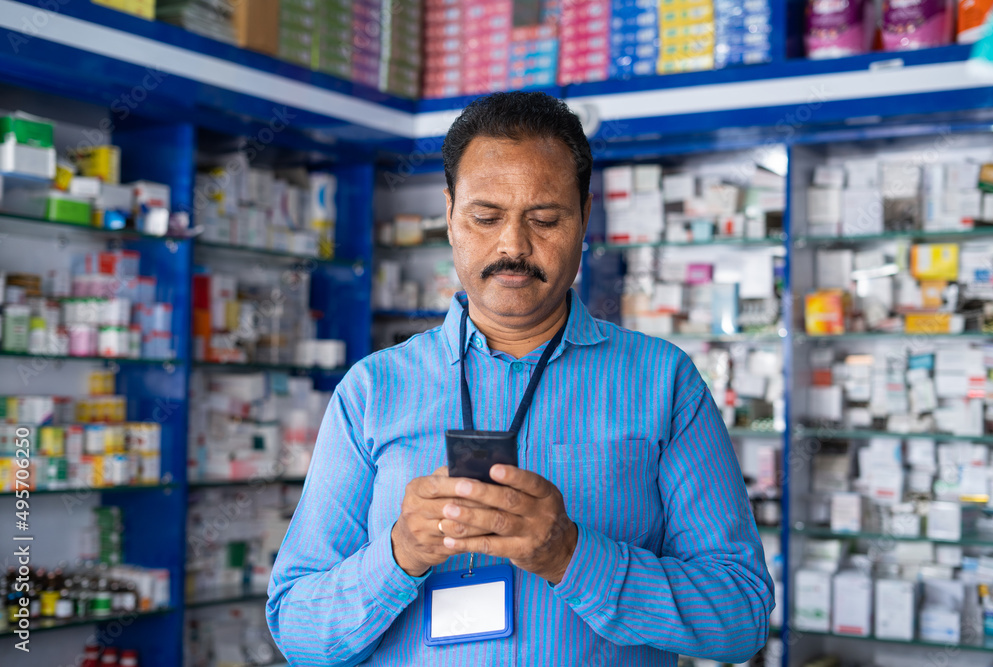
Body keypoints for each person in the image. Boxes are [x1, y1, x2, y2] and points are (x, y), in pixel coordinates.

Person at [266, 91, 774, 665]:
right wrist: (400, 552)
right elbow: (299, 631)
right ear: (450, 214)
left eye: (545, 219)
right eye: (486, 217)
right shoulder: (372, 391)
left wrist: (571, 555)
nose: (513, 245)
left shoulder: (663, 381)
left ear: (583, 217)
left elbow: (742, 616)